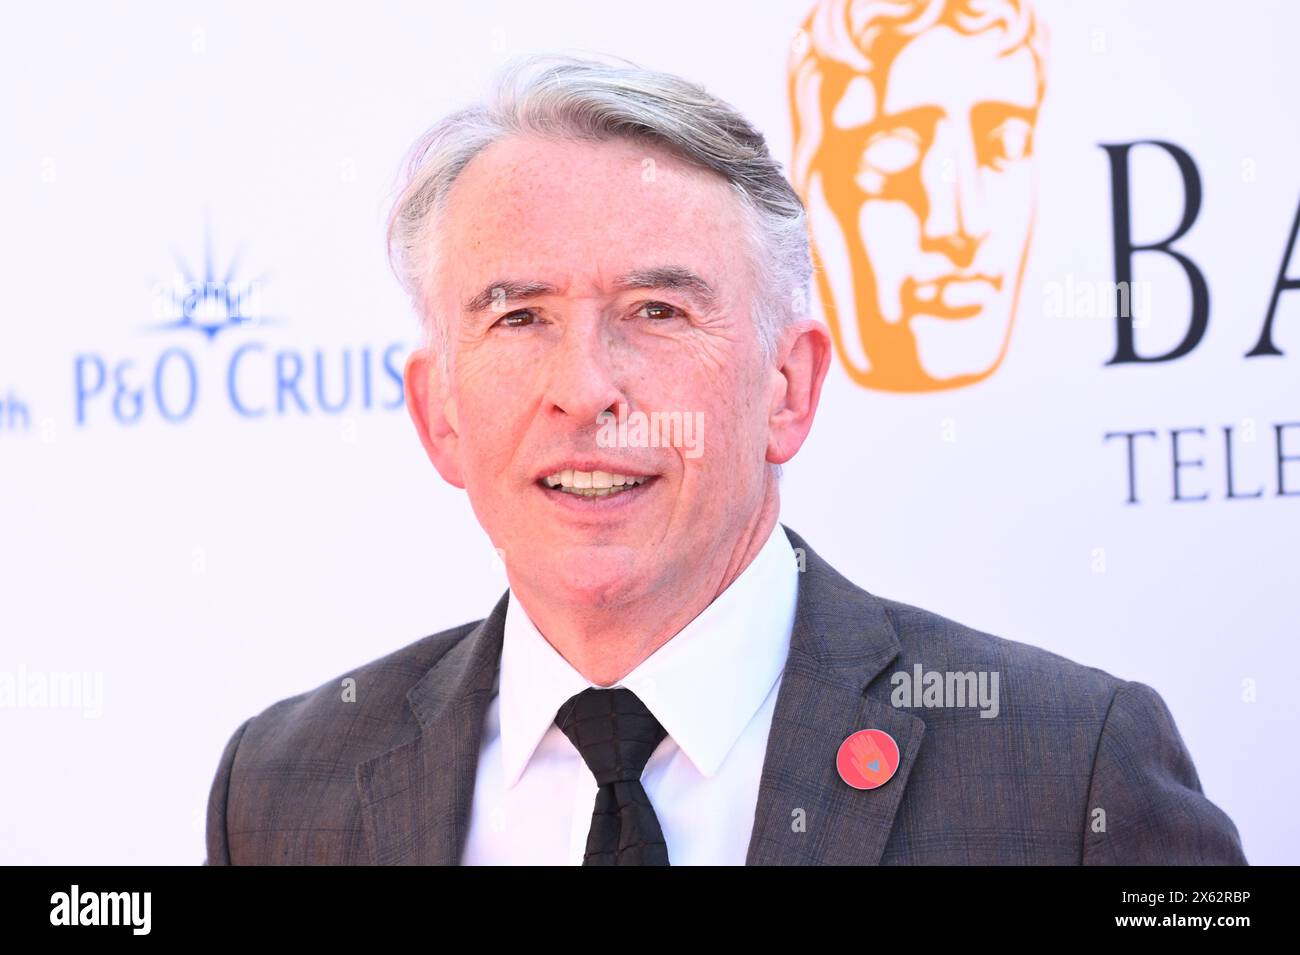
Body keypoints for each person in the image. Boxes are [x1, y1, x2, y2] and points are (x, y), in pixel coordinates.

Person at [204, 53, 1246, 865]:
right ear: (437, 412)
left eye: (655, 311)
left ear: (786, 389)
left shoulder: (1068, 772)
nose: (585, 387)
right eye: (518, 317)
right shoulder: (286, 789)